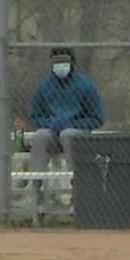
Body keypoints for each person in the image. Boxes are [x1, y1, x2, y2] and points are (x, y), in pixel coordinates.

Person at [15, 47, 105, 187]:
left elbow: (97, 118)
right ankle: (38, 191)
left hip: (76, 136)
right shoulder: (44, 86)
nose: (60, 67)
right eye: (56, 63)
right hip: (51, 133)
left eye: (64, 63)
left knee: (68, 134)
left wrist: (74, 124)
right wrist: (49, 122)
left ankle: (78, 188)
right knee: (40, 136)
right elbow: (35, 116)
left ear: (72, 64)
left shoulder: (85, 86)